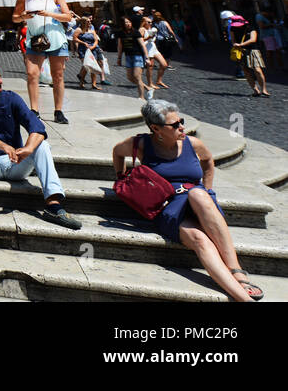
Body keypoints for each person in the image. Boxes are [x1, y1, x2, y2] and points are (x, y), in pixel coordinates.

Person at [111, 100, 261, 301]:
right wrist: (122, 179)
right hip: (168, 207)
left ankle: (237, 271)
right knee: (200, 240)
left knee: (198, 194)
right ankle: (243, 298)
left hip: (200, 202)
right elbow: (117, 152)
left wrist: (209, 190)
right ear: (156, 129)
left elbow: (208, 162)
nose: (182, 127)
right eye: (175, 125)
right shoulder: (140, 144)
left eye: (181, 121)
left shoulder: (193, 143)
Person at [0, 62, 81, 229]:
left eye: (0, 76)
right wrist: (2, 145)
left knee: (42, 145)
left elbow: (36, 126)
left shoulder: (11, 98)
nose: (0, 81)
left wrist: (29, 148)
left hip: (15, 163)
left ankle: (53, 205)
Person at [12, 0, 73, 124]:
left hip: (56, 39)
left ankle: (58, 111)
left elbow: (68, 17)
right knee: (32, 74)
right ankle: (34, 110)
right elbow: (15, 17)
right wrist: (23, 17)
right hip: (35, 40)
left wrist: (49, 13)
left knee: (57, 76)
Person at [116, 16, 150, 100]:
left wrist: (147, 58)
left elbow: (143, 45)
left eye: (129, 22)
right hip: (128, 56)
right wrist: (119, 58)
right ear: (123, 24)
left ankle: (141, 97)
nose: (128, 24)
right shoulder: (121, 33)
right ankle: (148, 88)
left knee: (137, 77)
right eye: (126, 22)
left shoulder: (136, 32)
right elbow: (120, 46)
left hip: (137, 56)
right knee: (130, 77)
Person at [235, 20, 269, 97]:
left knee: (257, 69)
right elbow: (233, 40)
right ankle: (255, 90)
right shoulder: (233, 29)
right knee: (246, 71)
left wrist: (241, 44)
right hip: (242, 52)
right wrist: (235, 44)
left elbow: (253, 39)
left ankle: (264, 90)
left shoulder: (250, 28)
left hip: (253, 50)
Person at [139, 14, 171, 90]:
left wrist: (153, 37)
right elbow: (139, 41)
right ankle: (150, 83)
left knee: (164, 64)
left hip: (153, 47)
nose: (150, 23)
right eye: (148, 22)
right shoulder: (142, 29)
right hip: (147, 48)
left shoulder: (152, 28)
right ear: (144, 22)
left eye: (151, 22)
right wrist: (149, 37)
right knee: (150, 67)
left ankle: (159, 80)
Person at [72, 18, 103, 90]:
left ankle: (94, 84)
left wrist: (93, 47)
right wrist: (83, 43)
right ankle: (81, 82)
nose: (90, 22)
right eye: (88, 21)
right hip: (83, 50)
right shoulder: (79, 30)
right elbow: (74, 38)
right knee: (86, 66)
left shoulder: (92, 30)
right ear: (83, 22)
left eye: (90, 21)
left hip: (92, 50)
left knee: (93, 66)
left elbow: (96, 40)